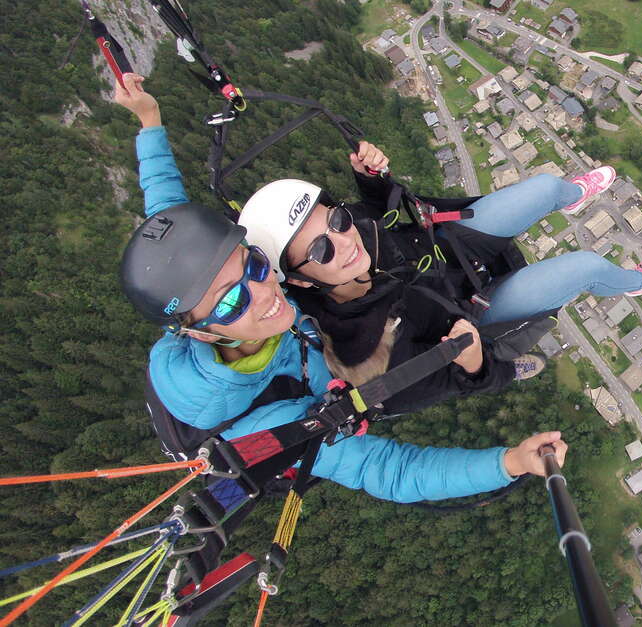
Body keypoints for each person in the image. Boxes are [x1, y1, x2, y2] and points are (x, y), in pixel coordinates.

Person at [114, 72, 567, 503]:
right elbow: (390, 471)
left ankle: (494, 363)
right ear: (196, 331)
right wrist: (509, 462)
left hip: (331, 346)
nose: (263, 290)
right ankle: (501, 368)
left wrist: (148, 121)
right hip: (363, 390)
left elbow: (169, 214)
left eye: (254, 265)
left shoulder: (202, 298)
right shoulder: (264, 424)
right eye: (231, 301)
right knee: (446, 370)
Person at [235, 141, 642, 415]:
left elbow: (386, 215)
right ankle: (639, 283)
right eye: (319, 250)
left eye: (334, 221)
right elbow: (462, 382)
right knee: (586, 267)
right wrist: (474, 361)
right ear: (298, 280)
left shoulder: (351, 228)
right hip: (474, 310)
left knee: (548, 187)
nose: (343, 240)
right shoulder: (366, 353)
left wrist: (372, 179)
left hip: (450, 248)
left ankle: (569, 197)